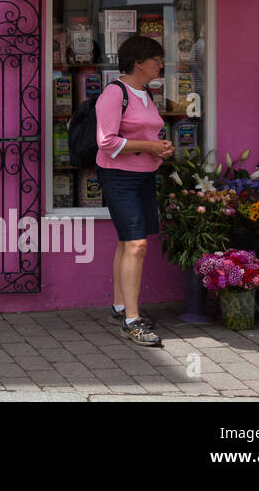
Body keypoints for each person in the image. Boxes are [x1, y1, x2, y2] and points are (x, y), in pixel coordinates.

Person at [95, 34, 173, 347]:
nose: (161, 64)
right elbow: (107, 141)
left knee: (128, 242)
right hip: (119, 176)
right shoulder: (114, 93)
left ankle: (119, 305)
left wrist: (160, 149)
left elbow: (145, 134)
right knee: (137, 244)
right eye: (156, 59)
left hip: (144, 175)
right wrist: (150, 145)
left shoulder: (145, 93)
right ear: (138, 63)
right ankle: (132, 321)